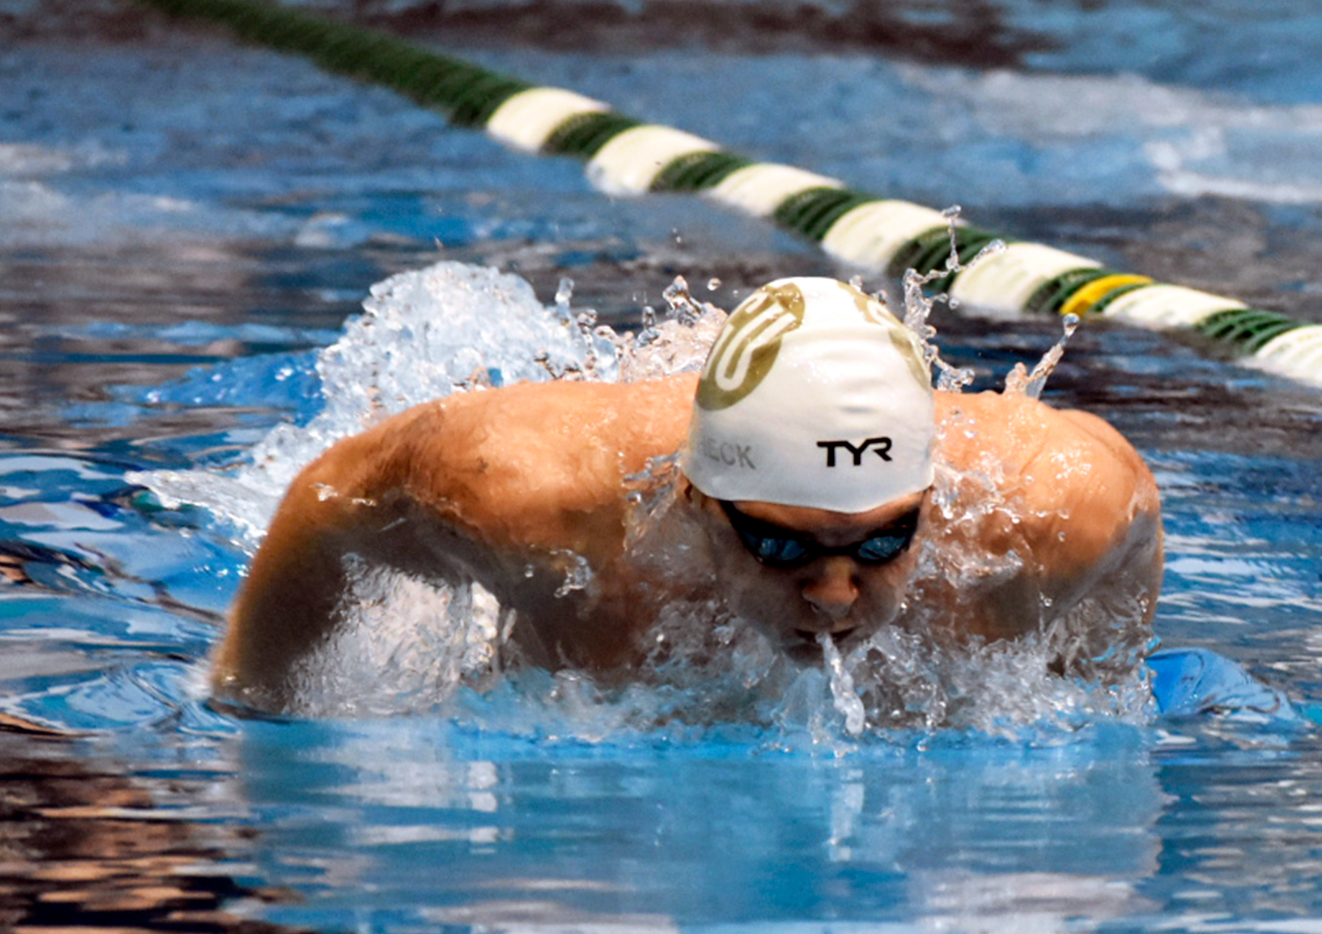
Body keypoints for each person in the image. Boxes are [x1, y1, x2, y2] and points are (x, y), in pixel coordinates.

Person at [210, 276, 1163, 713]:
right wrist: (254, 703)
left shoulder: (1049, 514)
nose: (834, 595)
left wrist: (1090, 688)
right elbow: (326, 501)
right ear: (701, 503)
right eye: (783, 546)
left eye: (879, 543)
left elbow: (1135, 547)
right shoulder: (536, 506)